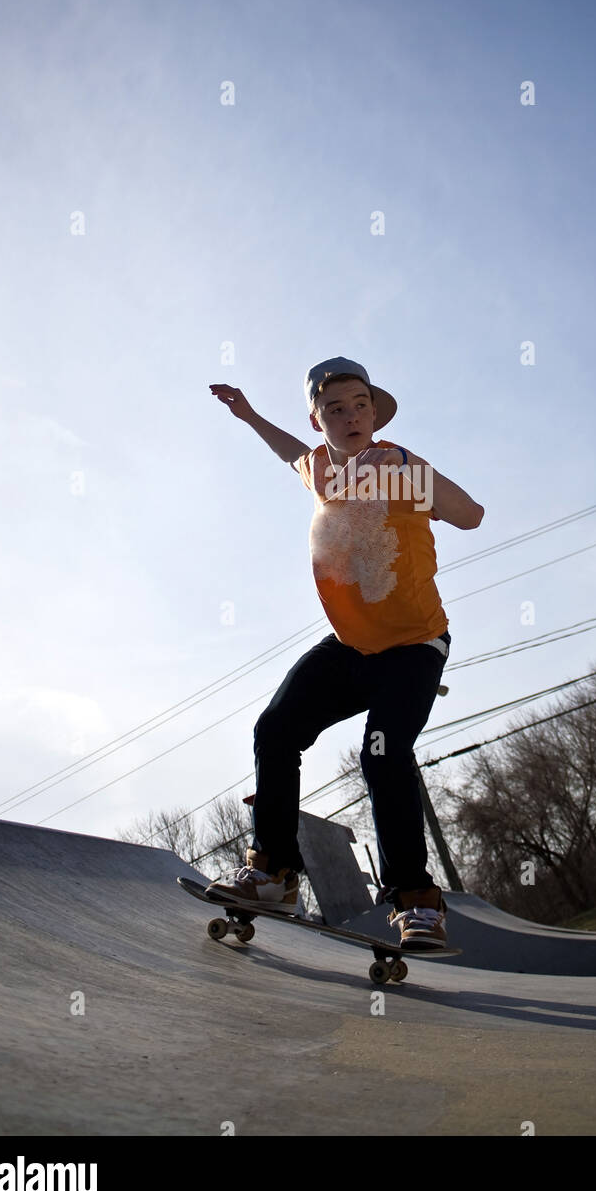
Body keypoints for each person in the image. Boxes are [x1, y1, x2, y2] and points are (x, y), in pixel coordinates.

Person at [205, 357, 484, 950]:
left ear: (375, 413)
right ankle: (275, 875)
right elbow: (289, 454)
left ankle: (416, 903)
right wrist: (250, 414)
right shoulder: (321, 470)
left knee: (382, 755)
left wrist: (416, 474)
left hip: (414, 647)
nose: (352, 416)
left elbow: (471, 516)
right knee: (276, 728)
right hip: (353, 648)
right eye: (336, 409)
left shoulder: (398, 465)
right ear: (318, 420)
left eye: (361, 405)